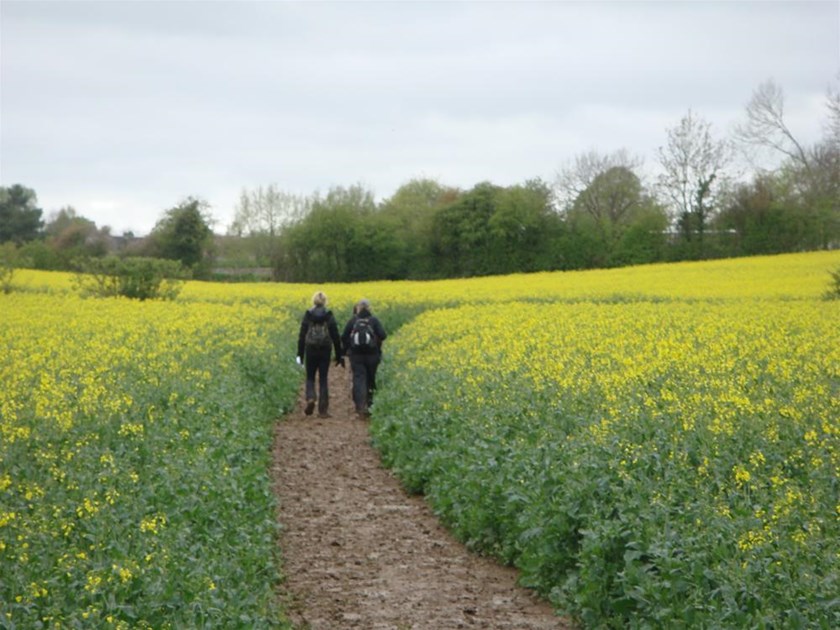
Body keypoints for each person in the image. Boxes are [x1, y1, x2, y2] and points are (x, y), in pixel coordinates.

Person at [297, 291, 344, 418]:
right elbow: (335, 336)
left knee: (310, 377)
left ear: (314, 301)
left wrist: (300, 355)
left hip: (310, 349)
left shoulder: (308, 315)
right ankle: (323, 410)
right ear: (324, 302)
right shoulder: (328, 315)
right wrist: (339, 355)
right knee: (323, 378)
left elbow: (302, 336)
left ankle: (311, 398)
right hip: (325, 349)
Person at [341, 298, 387, 418]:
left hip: (356, 356)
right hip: (373, 355)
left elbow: (344, 336)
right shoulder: (374, 320)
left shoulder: (353, 321)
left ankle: (360, 406)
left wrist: (344, 351)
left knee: (359, 378)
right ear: (369, 308)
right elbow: (383, 335)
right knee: (370, 379)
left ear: (358, 309)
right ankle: (370, 404)